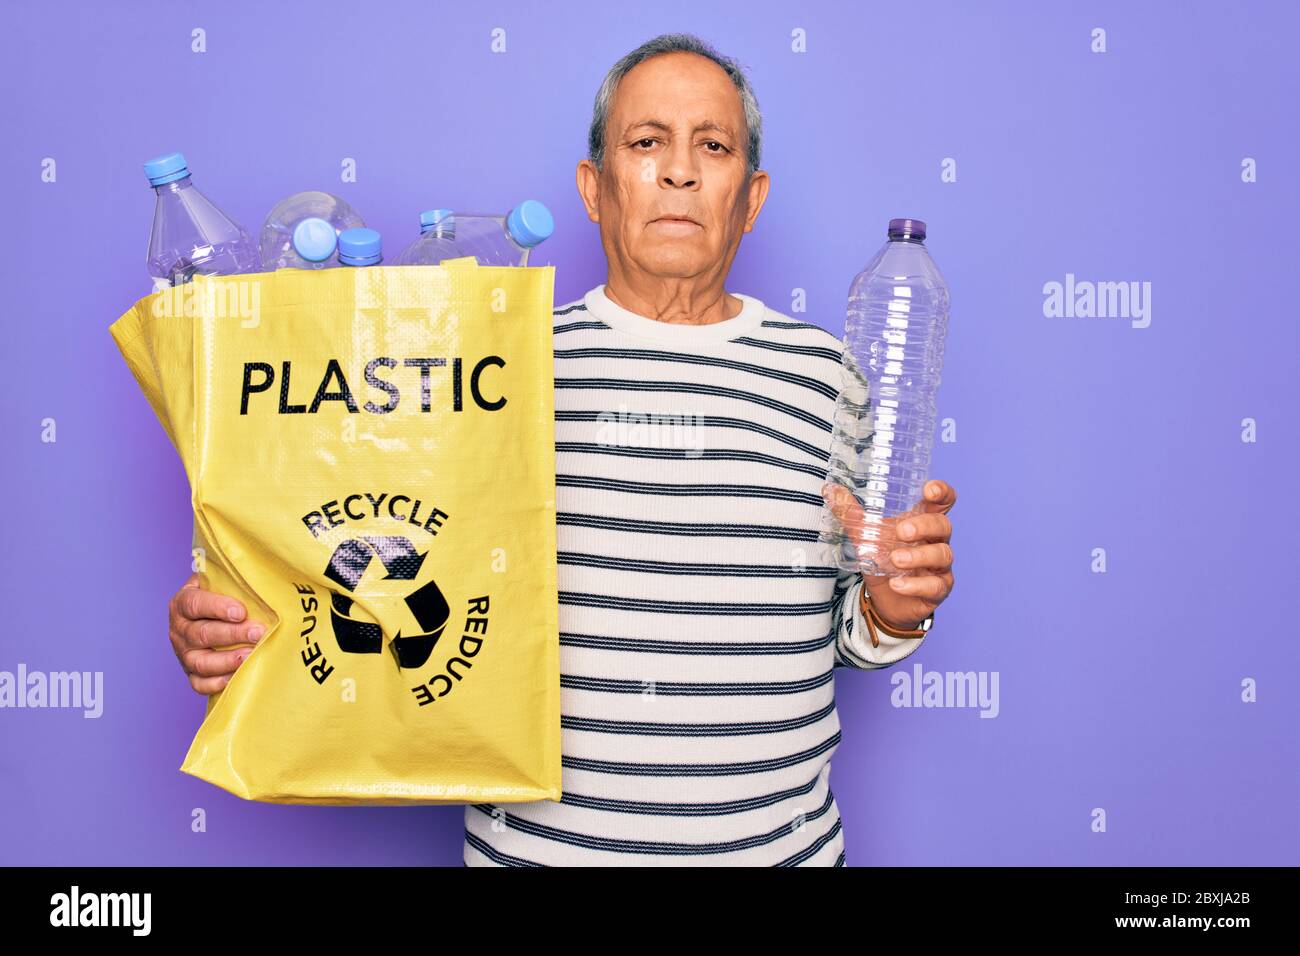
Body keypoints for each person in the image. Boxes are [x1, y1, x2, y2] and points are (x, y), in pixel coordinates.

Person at [167, 32, 957, 866]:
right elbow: (371, 548)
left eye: (713, 147)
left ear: (751, 196)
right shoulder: (493, 368)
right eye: (646, 142)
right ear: (594, 186)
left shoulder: (830, 379)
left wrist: (893, 609)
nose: (680, 171)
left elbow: (848, 626)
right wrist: (236, 616)